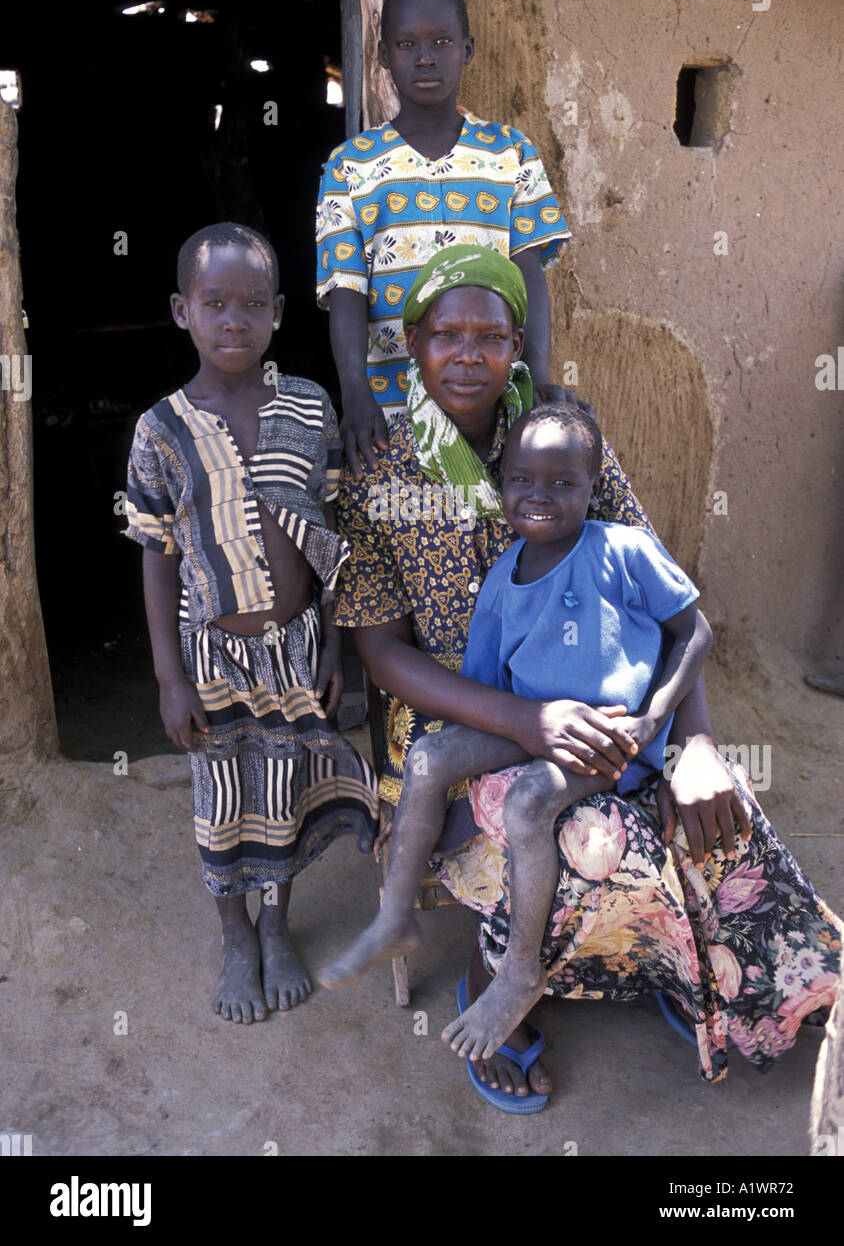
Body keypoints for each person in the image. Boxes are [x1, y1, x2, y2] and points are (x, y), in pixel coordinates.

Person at [331, 243, 842, 1109]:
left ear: (518, 342)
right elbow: (382, 653)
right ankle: (499, 972)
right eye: (445, 334)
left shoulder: (562, 438)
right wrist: (525, 721)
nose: (467, 354)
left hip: (608, 705)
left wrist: (700, 745)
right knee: (580, 831)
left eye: (489, 336)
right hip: (460, 707)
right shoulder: (380, 466)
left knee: (716, 805)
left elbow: (666, 606)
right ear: (412, 342)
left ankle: (689, 967)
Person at [322, 398, 713, 1066]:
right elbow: (486, 691)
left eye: (564, 483)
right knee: (428, 756)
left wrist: (661, 723)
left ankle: (519, 973)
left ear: (595, 486)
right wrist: (443, 807)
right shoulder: (503, 582)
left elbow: (694, 631)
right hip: (536, 728)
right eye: (523, 481)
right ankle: (394, 917)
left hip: (611, 736)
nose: (540, 496)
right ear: (501, 488)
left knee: (531, 801)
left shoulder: (623, 549)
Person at [124, 223, 379, 1025]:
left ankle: (278, 925)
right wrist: (169, 679)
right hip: (213, 656)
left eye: (252, 304)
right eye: (215, 303)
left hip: (299, 645)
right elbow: (157, 554)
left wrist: (336, 642)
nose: (234, 320)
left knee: (286, 791)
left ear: (276, 314)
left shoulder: (307, 407)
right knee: (222, 796)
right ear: (181, 311)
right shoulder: (161, 429)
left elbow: (333, 530)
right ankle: (234, 933)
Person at [316, 0, 572, 476]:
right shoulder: (350, 165)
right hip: (393, 410)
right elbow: (345, 290)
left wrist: (537, 374)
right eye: (407, 44)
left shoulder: (509, 152)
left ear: (468, 49)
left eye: (442, 42)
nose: (425, 57)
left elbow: (529, 274)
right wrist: (356, 395)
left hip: (494, 405)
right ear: (385, 56)